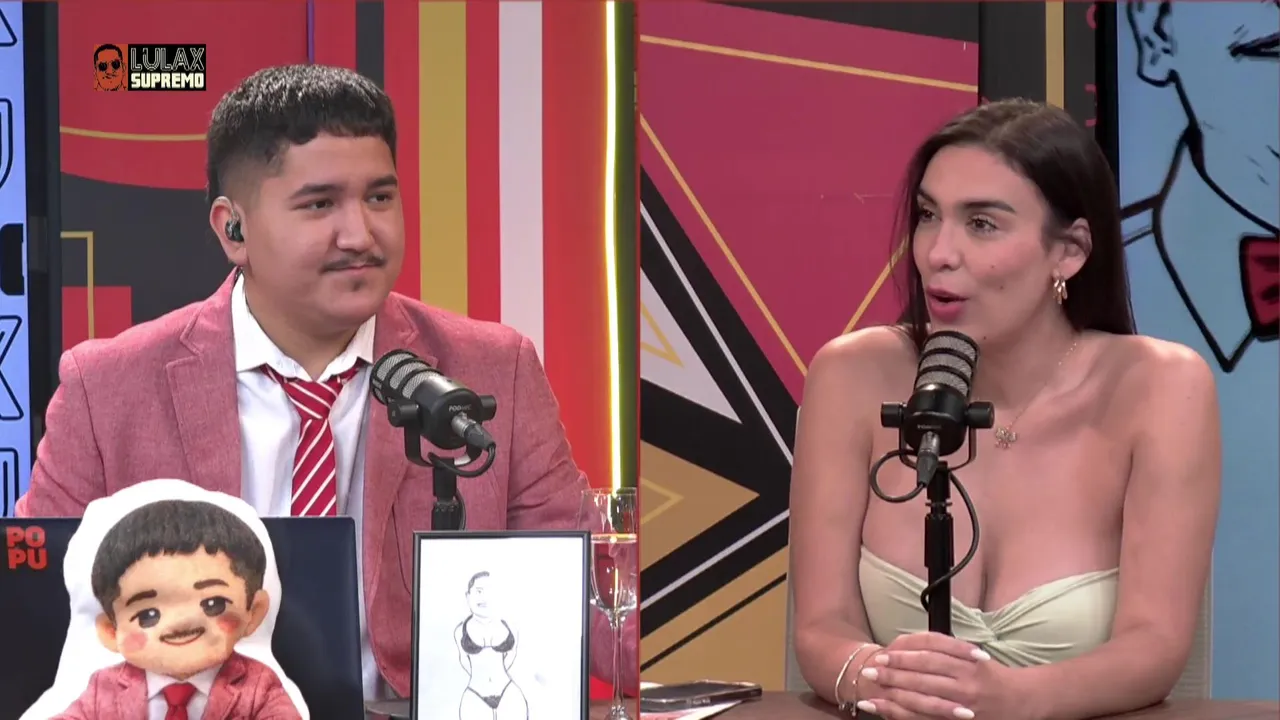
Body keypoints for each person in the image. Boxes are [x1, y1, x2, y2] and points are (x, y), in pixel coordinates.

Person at [17, 64, 637, 702]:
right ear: (233, 229)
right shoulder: (107, 388)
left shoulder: (491, 369)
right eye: (320, 204)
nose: (360, 234)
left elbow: (596, 610)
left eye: (380, 198)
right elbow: (32, 618)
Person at [789, 99, 1220, 720]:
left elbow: (1154, 647)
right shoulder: (850, 374)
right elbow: (822, 627)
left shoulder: (1161, 387)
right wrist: (880, 681)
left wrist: (1010, 700)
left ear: (1069, 251)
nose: (938, 252)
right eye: (929, 216)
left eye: (982, 224)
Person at [54, 499, 301, 720]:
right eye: (148, 616)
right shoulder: (104, 688)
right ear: (111, 632)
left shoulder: (258, 686)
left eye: (212, 605)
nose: (182, 622)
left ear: (253, 612)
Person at [454, 571, 528, 720]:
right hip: (474, 695)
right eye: (478, 591)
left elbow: (511, 655)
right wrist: (480, 675)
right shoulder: (460, 631)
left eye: (488, 591)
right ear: (468, 596)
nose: (483, 598)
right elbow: (464, 660)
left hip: (508, 692)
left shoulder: (510, 627)